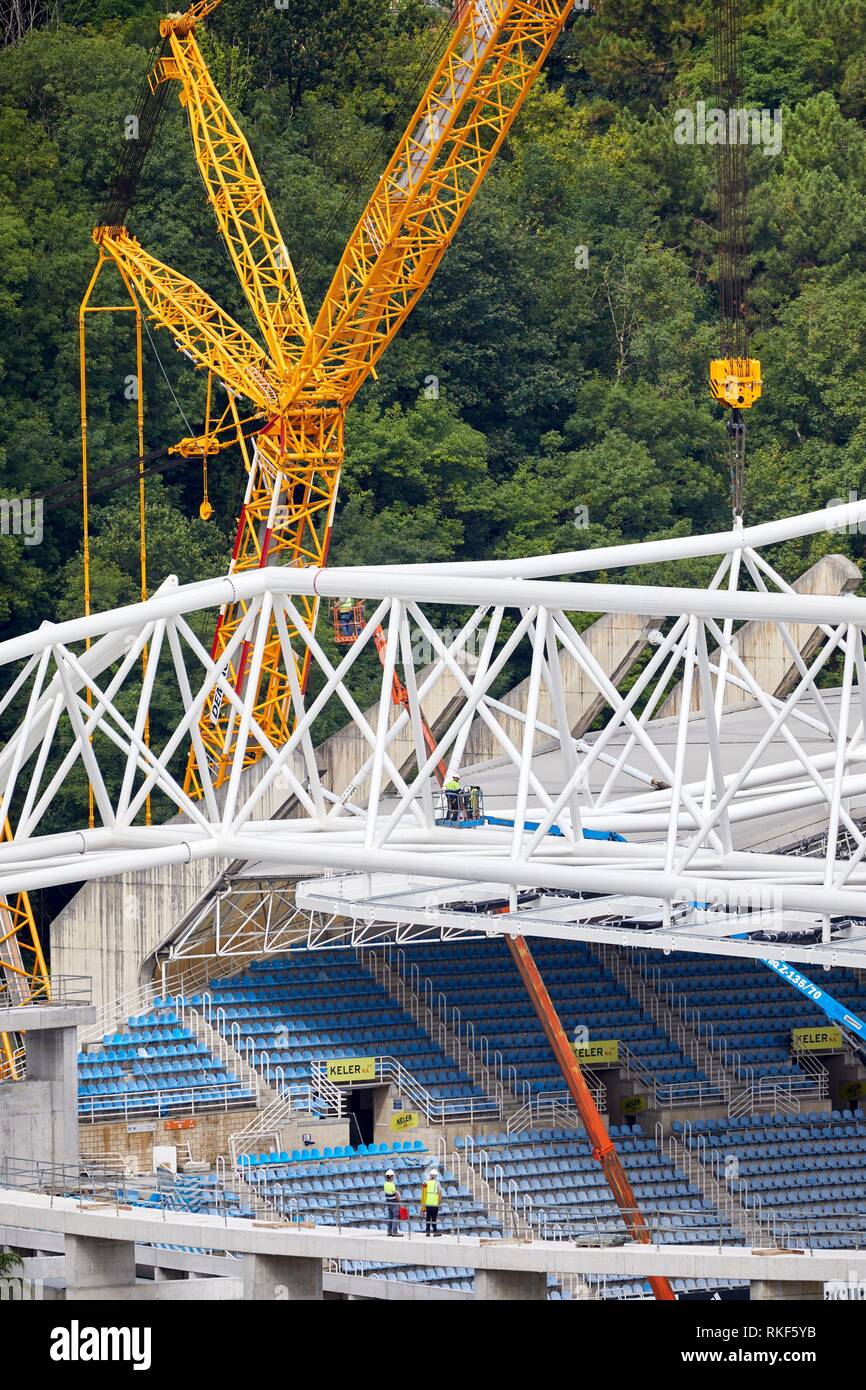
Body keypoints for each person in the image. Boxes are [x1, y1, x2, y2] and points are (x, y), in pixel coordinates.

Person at [421, 1167, 441, 1236]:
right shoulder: (437, 1183)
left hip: (428, 1203)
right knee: (434, 1219)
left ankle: (428, 1232)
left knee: (428, 1218)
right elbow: (439, 1193)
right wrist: (439, 1202)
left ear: (430, 1175)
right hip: (435, 1204)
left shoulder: (426, 1182)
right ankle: (435, 1232)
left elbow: (423, 1192)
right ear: (435, 1176)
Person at [383, 1167, 402, 1237]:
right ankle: (394, 1231)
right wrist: (399, 1202)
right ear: (391, 1176)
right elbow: (395, 1194)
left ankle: (389, 1231)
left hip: (388, 1202)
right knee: (396, 1217)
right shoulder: (392, 1184)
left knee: (390, 1217)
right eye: (393, 1176)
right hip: (394, 1202)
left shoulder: (385, 1184)